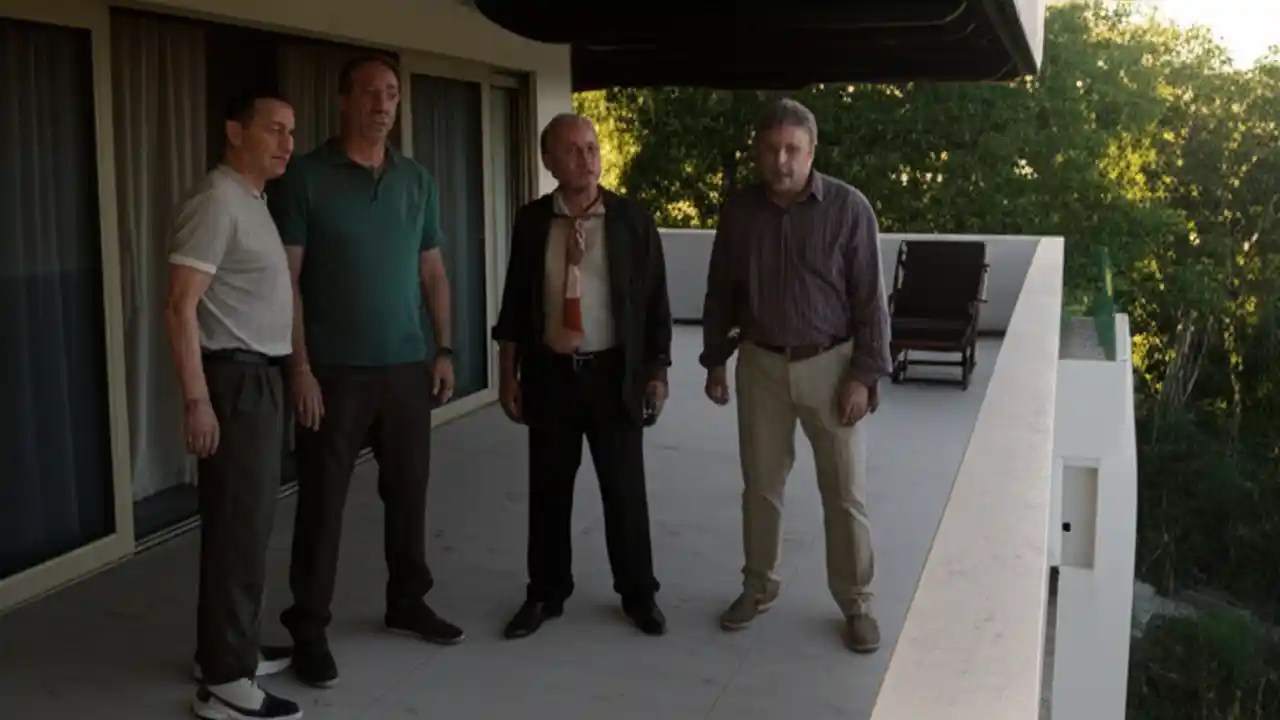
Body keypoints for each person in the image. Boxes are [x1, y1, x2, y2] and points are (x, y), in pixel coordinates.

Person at [268, 53, 461, 688]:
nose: (383, 105)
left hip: (406, 364)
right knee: (322, 504)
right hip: (333, 371)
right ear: (344, 100)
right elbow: (286, 281)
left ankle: (407, 601)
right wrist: (299, 368)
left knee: (409, 493)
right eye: (372, 93)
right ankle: (309, 628)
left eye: (393, 95)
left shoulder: (416, 180)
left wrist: (445, 349)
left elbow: (432, 270)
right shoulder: (304, 177)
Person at [700, 98, 892, 653]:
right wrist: (716, 358)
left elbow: (870, 302)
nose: (781, 161)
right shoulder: (739, 211)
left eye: (793, 149)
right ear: (758, 150)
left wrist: (863, 375)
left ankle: (856, 603)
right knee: (761, 487)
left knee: (844, 493)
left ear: (812, 152)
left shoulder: (850, 209)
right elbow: (721, 289)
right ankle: (758, 586)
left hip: (831, 365)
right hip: (760, 364)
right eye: (771, 148)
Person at [492, 113, 673, 639]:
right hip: (550, 374)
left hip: (614, 373)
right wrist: (509, 376)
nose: (587, 157)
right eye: (572, 150)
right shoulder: (532, 222)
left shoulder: (631, 220)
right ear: (549, 161)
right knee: (549, 490)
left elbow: (655, 302)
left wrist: (656, 372)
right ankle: (545, 593)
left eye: (592, 147)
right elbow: (513, 308)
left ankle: (639, 595)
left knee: (624, 491)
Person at [165, 90, 301, 719]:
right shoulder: (217, 201)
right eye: (273, 129)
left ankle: (221, 648)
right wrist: (198, 399)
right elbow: (180, 306)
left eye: (291, 132)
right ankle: (225, 682)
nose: (286, 142)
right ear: (233, 131)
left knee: (240, 526)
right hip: (234, 381)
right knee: (239, 530)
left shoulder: (251, 200)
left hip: (259, 378)